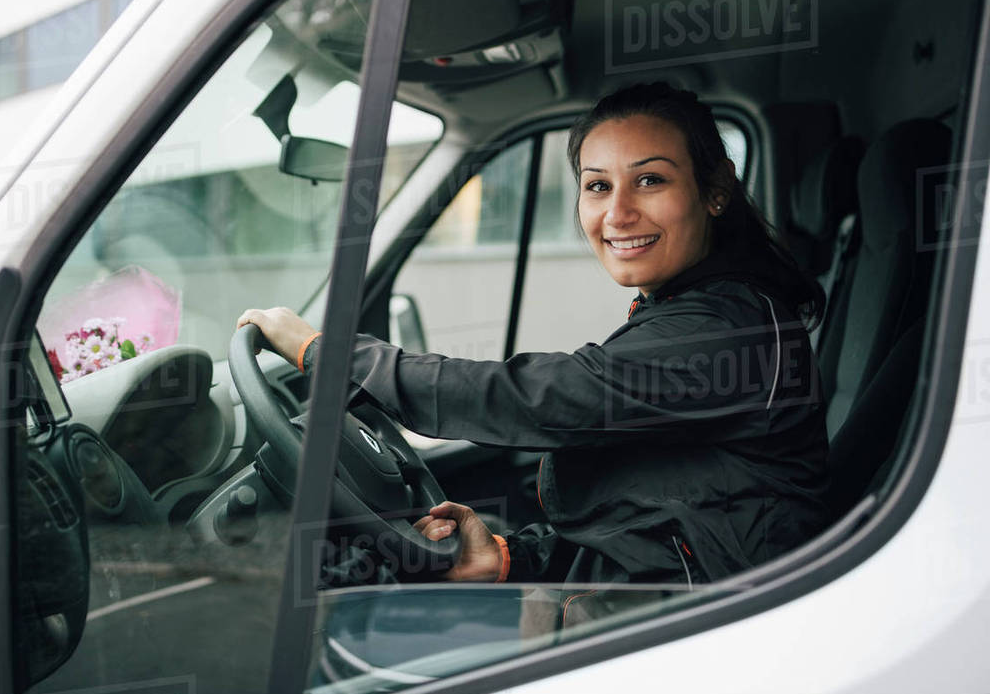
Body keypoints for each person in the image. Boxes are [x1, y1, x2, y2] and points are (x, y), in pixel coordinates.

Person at [237, 81, 830, 590]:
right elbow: (655, 524)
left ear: (717, 190)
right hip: (639, 604)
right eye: (598, 186)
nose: (617, 214)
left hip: (712, 638)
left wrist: (326, 354)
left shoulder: (730, 329)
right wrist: (509, 558)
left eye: (649, 180)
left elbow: (532, 395)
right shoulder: (687, 310)